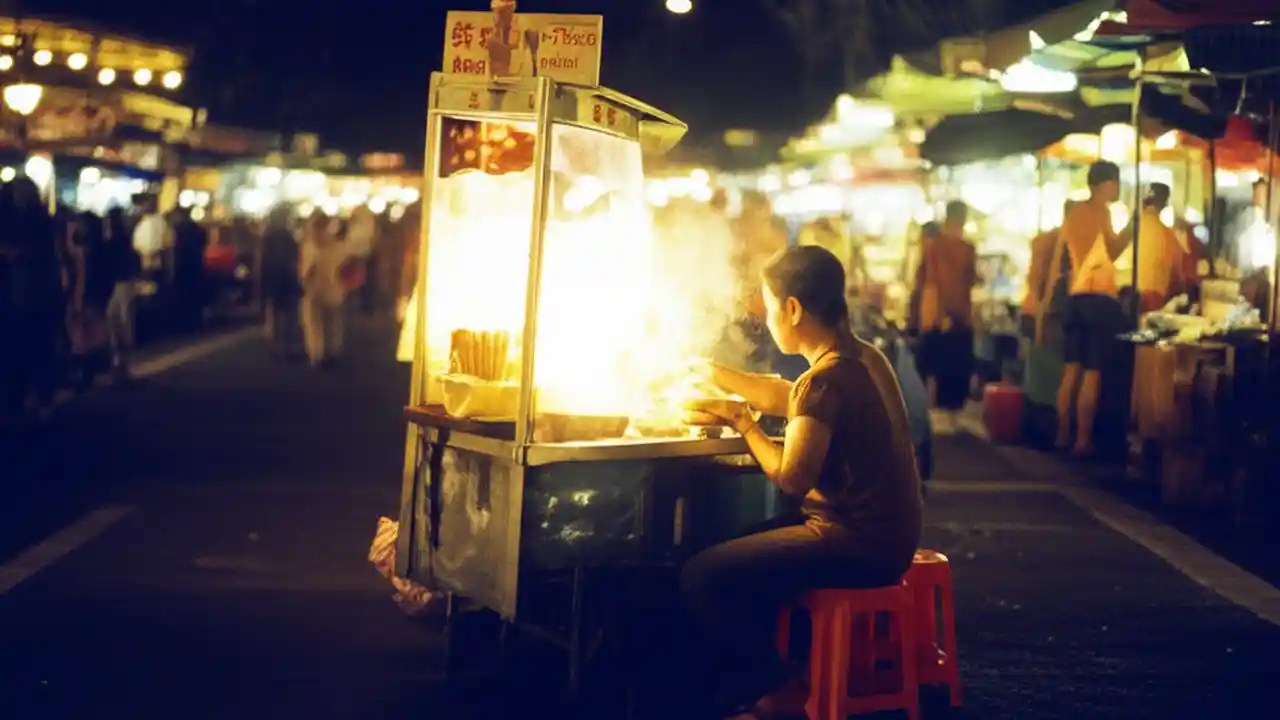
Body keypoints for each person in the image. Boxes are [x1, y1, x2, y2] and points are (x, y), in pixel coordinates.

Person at [681, 246, 924, 720]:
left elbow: (792, 478)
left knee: (703, 574)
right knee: (739, 541)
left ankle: (770, 686)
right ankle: (784, 669)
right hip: (892, 535)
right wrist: (717, 375)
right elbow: (793, 397)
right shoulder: (862, 357)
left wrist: (742, 421)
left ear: (792, 309)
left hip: (858, 544)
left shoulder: (827, 380)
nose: (767, 319)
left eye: (770, 307)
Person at [1051, 161, 1128, 456]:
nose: (1117, 188)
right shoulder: (1101, 212)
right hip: (1098, 300)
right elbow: (1112, 250)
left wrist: (1047, 303)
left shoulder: (1073, 212)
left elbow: (1061, 259)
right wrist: (1130, 229)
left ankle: (1062, 434)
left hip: (1074, 300)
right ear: (1104, 184)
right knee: (1092, 373)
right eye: (1115, 182)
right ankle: (1083, 439)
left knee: (1070, 371)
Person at [0, 177, 62, 420]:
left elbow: (34, 252)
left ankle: (37, 397)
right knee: (31, 348)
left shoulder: (37, 221)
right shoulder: (34, 219)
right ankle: (32, 397)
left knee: (33, 347)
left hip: (30, 294)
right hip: (27, 294)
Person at [914, 203, 977, 432]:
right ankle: (943, 415)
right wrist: (946, 313)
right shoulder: (953, 248)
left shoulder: (939, 247)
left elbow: (926, 280)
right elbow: (938, 281)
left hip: (940, 314)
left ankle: (938, 414)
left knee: (939, 365)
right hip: (947, 314)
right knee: (947, 365)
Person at [1116, 182, 1187, 312]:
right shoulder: (1167, 235)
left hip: (1129, 297)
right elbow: (1178, 273)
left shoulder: (1131, 229)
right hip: (1154, 299)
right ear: (1165, 203)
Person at [299, 212, 351, 368]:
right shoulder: (338, 246)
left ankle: (317, 353)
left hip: (316, 290)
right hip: (331, 289)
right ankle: (330, 351)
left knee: (316, 323)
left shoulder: (309, 247)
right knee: (331, 322)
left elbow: (305, 271)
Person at [102, 207, 142, 382]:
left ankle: (120, 364)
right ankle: (122, 365)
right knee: (122, 324)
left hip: (118, 284)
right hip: (123, 284)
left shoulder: (114, 241)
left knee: (117, 324)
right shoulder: (123, 240)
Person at [260, 206, 303, 360]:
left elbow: (263, 260)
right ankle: (288, 346)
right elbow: (294, 260)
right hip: (287, 278)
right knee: (289, 314)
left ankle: (275, 346)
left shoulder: (268, 236)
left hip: (272, 278)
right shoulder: (288, 237)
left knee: (275, 313)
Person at [171, 207, 209, 332]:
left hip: (184, 268)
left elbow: (177, 250)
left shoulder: (179, 231)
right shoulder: (197, 229)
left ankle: (186, 324)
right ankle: (196, 322)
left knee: (185, 297)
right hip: (196, 266)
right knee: (194, 297)